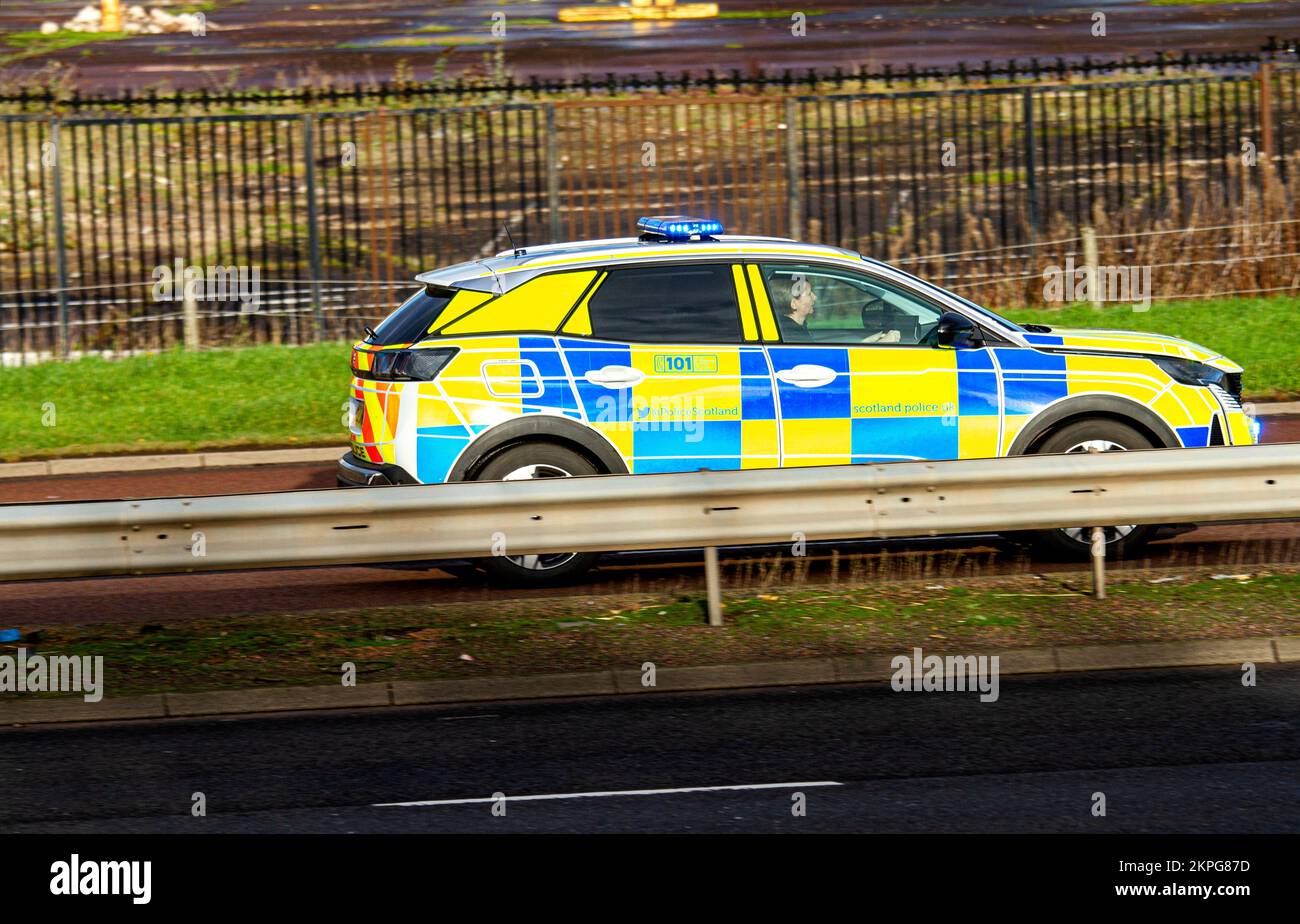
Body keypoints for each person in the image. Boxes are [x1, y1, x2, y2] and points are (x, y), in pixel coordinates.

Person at [771, 274, 815, 341]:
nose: (814, 297)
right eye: (809, 294)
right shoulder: (793, 336)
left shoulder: (790, 328)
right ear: (794, 304)